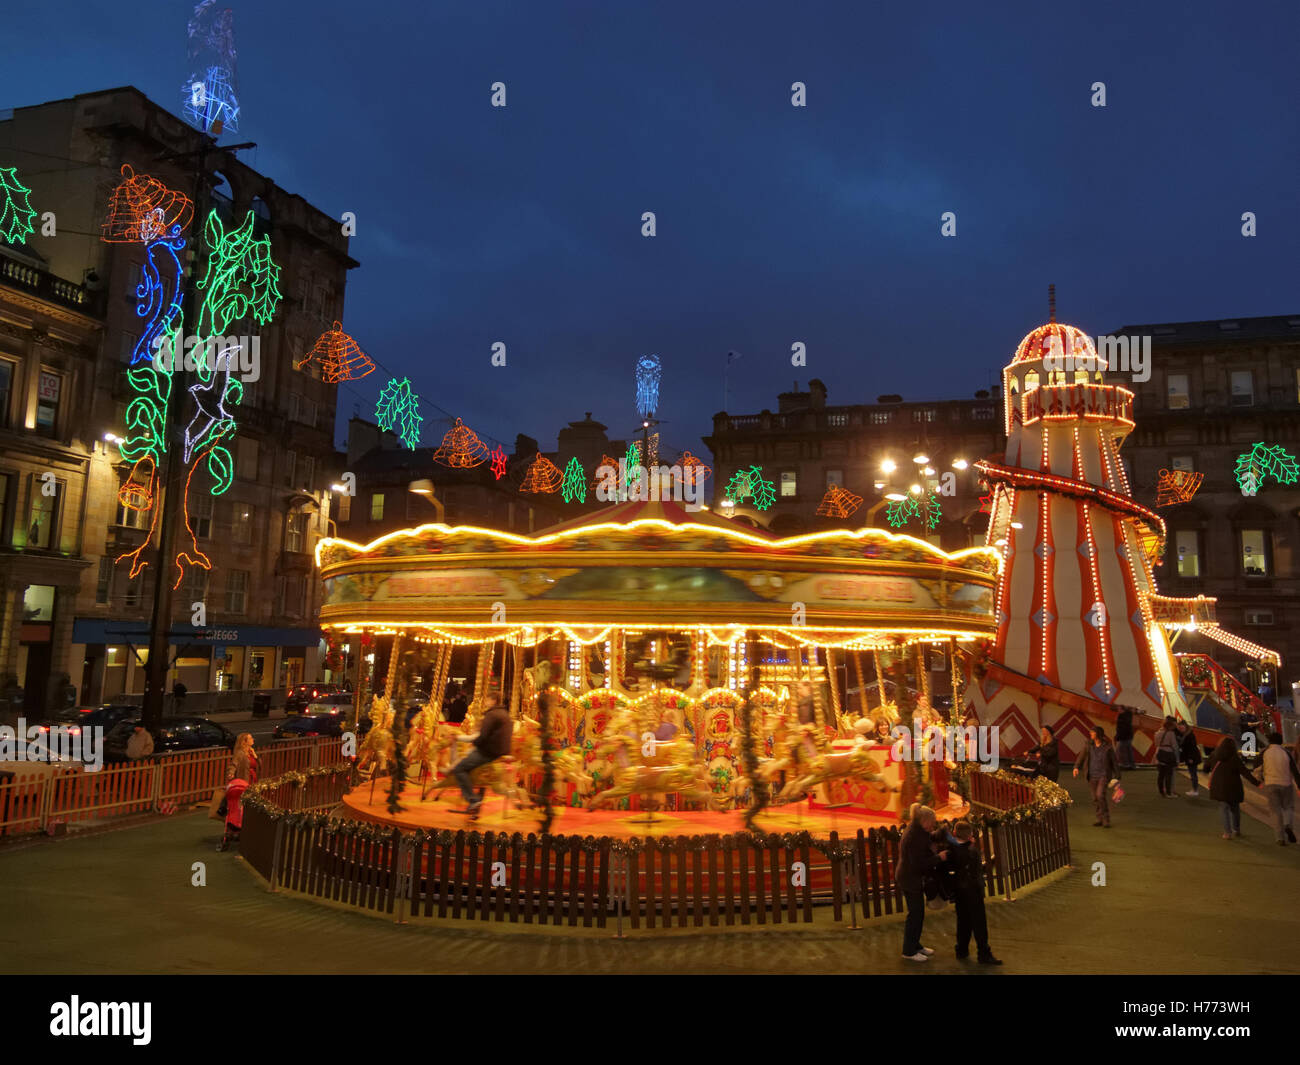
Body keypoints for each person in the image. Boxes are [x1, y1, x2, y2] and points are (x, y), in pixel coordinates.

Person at [943, 820, 1001, 964]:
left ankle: (961, 949)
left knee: (963, 920)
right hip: (972, 890)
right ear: (969, 835)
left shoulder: (951, 850)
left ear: (955, 833)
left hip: (959, 890)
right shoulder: (972, 851)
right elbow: (977, 870)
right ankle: (984, 953)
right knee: (979, 922)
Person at [894, 804, 947, 962]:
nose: (933, 826)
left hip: (911, 877)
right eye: (932, 822)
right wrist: (939, 858)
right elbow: (919, 863)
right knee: (915, 914)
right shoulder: (914, 836)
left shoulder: (918, 830)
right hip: (909, 878)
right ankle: (909, 951)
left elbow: (927, 842)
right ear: (924, 820)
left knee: (918, 914)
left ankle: (915, 945)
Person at [450, 694, 512, 818]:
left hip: (488, 752)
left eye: (488, 699)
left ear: (494, 700)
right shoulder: (505, 715)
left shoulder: (491, 715)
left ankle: (473, 800)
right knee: (481, 778)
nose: (486, 702)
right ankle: (475, 809)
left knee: (459, 768)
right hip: (500, 752)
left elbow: (482, 736)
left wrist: (475, 744)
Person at [1203, 735, 1259, 840]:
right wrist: (1256, 782)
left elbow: (1206, 768)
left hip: (1219, 787)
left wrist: (1208, 770)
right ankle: (1236, 829)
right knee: (1235, 809)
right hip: (1234, 787)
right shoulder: (1235, 758)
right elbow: (1245, 772)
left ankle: (1227, 832)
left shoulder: (1214, 755)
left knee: (1223, 809)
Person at [218, 733, 259, 852]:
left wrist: (255, 756)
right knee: (239, 809)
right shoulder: (240, 753)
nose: (253, 739)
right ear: (244, 741)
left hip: (252, 782)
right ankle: (236, 830)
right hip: (243, 782)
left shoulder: (251, 752)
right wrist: (230, 773)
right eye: (250, 738)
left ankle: (242, 831)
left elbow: (256, 766)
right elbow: (233, 764)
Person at [1073, 726, 1119, 827]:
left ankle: (1106, 819)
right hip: (1092, 775)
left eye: (1092, 733)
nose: (1090, 734)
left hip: (1103, 775)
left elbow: (1114, 762)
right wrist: (1076, 767)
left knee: (1100, 795)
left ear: (1098, 734)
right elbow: (1081, 756)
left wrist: (1117, 775)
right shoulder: (1088, 745)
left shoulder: (1108, 747)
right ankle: (1100, 818)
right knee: (1095, 798)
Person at [1259, 732, 1300, 845]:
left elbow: (1257, 767)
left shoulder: (1265, 752)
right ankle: (1287, 825)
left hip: (1271, 784)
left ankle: (1280, 838)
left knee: (1275, 811)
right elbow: (1295, 771)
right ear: (1281, 741)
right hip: (1286, 783)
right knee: (1288, 807)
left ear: (1269, 741)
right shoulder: (1286, 752)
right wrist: (1299, 786)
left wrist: (1260, 779)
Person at [1153, 716, 1181, 798]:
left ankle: (1161, 791)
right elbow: (1175, 746)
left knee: (1161, 774)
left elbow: (1156, 744)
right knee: (1169, 774)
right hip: (1168, 754)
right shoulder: (1171, 733)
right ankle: (1169, 793)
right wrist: (1177, 758)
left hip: (1160, 753)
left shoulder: (1157, 733)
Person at [1177, 720, 1202, 796]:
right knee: (1192, 773)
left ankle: (1195, 790)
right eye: (1180, 728)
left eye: (1182, 728)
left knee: (1193, 774)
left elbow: (1192, 747)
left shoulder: (1189, 735)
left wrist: (1191, 758)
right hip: (1190, 757)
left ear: (1185, 727)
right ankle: (1194, 789)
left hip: (1192, 757)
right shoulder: (1185, 735)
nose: (1181, 729)